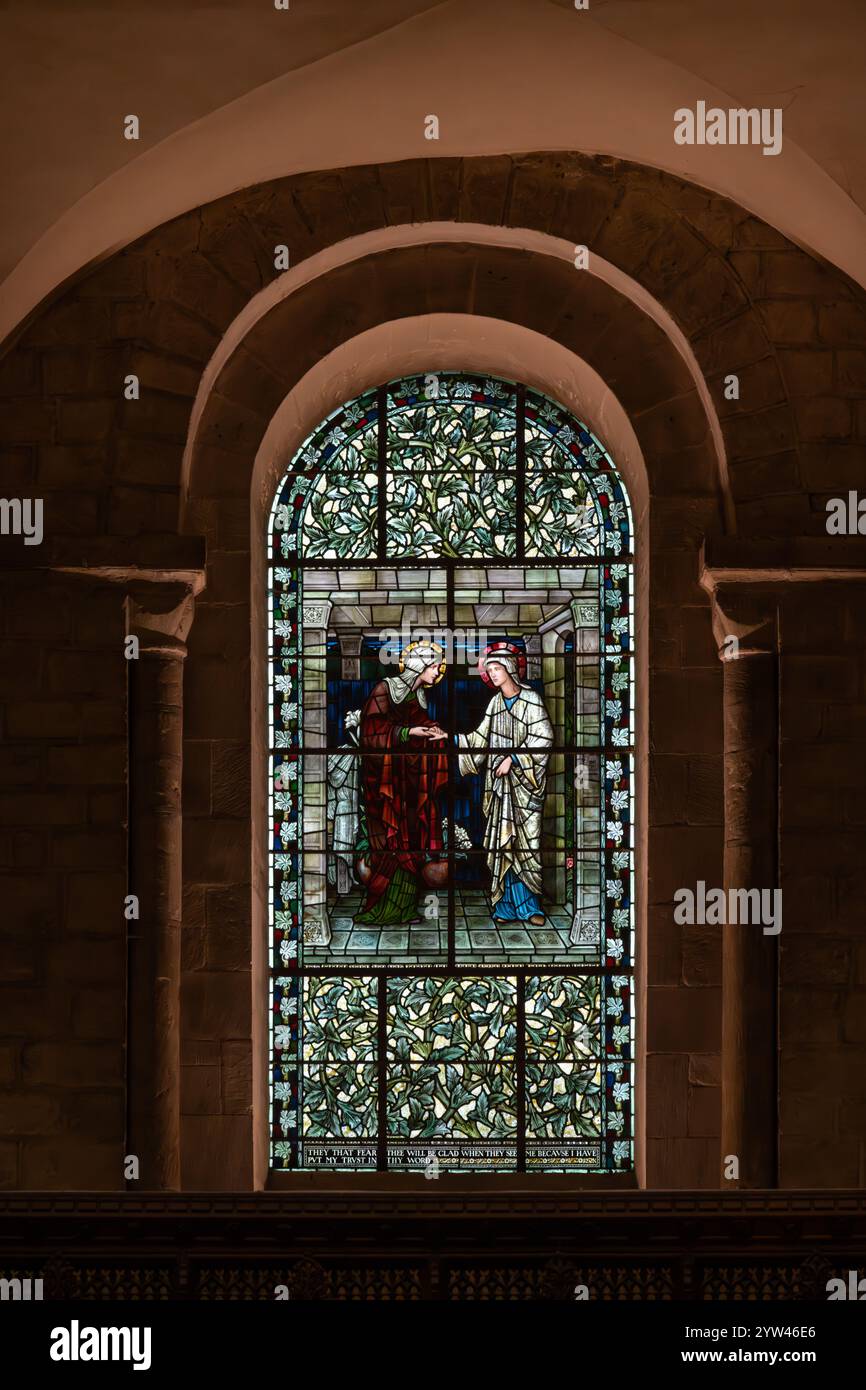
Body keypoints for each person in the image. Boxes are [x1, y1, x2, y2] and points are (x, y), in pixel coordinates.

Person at [456, 645, 553, 926]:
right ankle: (506, 906)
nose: (493, 675)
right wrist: (453, 741)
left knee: (526, 845)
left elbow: (544, 739)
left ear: (510, 668)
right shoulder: (496, 703)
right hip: (501, 790)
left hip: (525, 788)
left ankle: (531, 907)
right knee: (503, 844)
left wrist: (513, 758)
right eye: (489, 671)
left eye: (497, 669)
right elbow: (479, 738)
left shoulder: (532, 700)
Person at [354, 641, 448, 926]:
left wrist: (434, 731)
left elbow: (420, 725)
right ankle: (380, 910)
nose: (437, 671)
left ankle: (405, 909)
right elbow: (371, 732)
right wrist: (406, 733)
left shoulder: (418, 696)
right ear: (420, 665)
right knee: (390, 841)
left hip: (409, 784)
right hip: (385, 784)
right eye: (434, 666)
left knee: (411, 839)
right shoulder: (386, 689)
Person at [327, 708, 361, 896]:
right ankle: (342, 886)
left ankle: (344, 886)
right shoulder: (346, 754)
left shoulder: (353, 755)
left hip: (347, 808)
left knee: (345, 848)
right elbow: (336, 778)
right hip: (342, 808)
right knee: (342, 848)